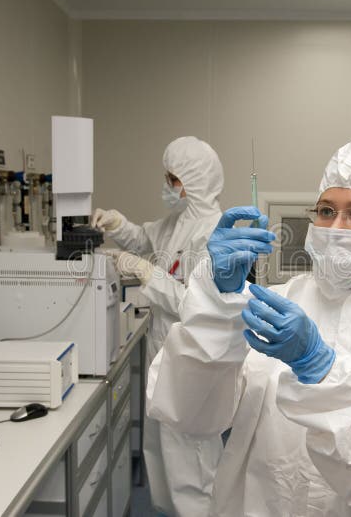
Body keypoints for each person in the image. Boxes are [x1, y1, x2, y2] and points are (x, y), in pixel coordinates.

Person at [147, 140, 351, 515]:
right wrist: (217, 308)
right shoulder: (272, 308)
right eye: (326, 211)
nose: (336, 227)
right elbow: (190, 415)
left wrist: (321, 370)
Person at [92, 136, 225, 517]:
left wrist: (144, 271)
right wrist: (118, 224)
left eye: (173, 179)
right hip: (164, 350)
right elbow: (145, 238)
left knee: (192, 458)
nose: (167, 187)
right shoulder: (179, 220)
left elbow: (195, 304)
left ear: (193, 180)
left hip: (192, 358)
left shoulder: (214, 233)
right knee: (163, 451)